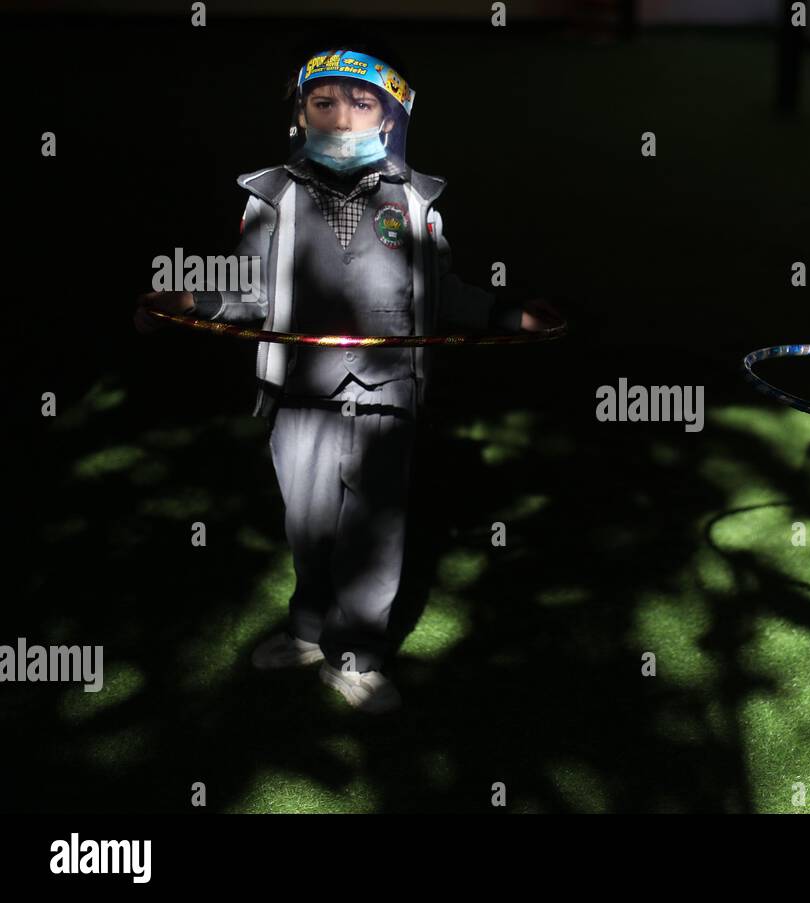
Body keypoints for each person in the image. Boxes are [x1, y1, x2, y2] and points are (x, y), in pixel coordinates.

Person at [136, 46, 559, 714]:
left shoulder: (418, 200)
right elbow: (249, 288)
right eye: (323, 102)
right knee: (307, 522)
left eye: (362, 104)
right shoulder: (269, 196)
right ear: (299, 114)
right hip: (301, 391)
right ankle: (308, 627)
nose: (342, 117)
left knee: (378, 526)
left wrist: (509, 312)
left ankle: (355, 653)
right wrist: (193, 300)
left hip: (388, 390)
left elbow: (442, 290)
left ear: (390, 121)